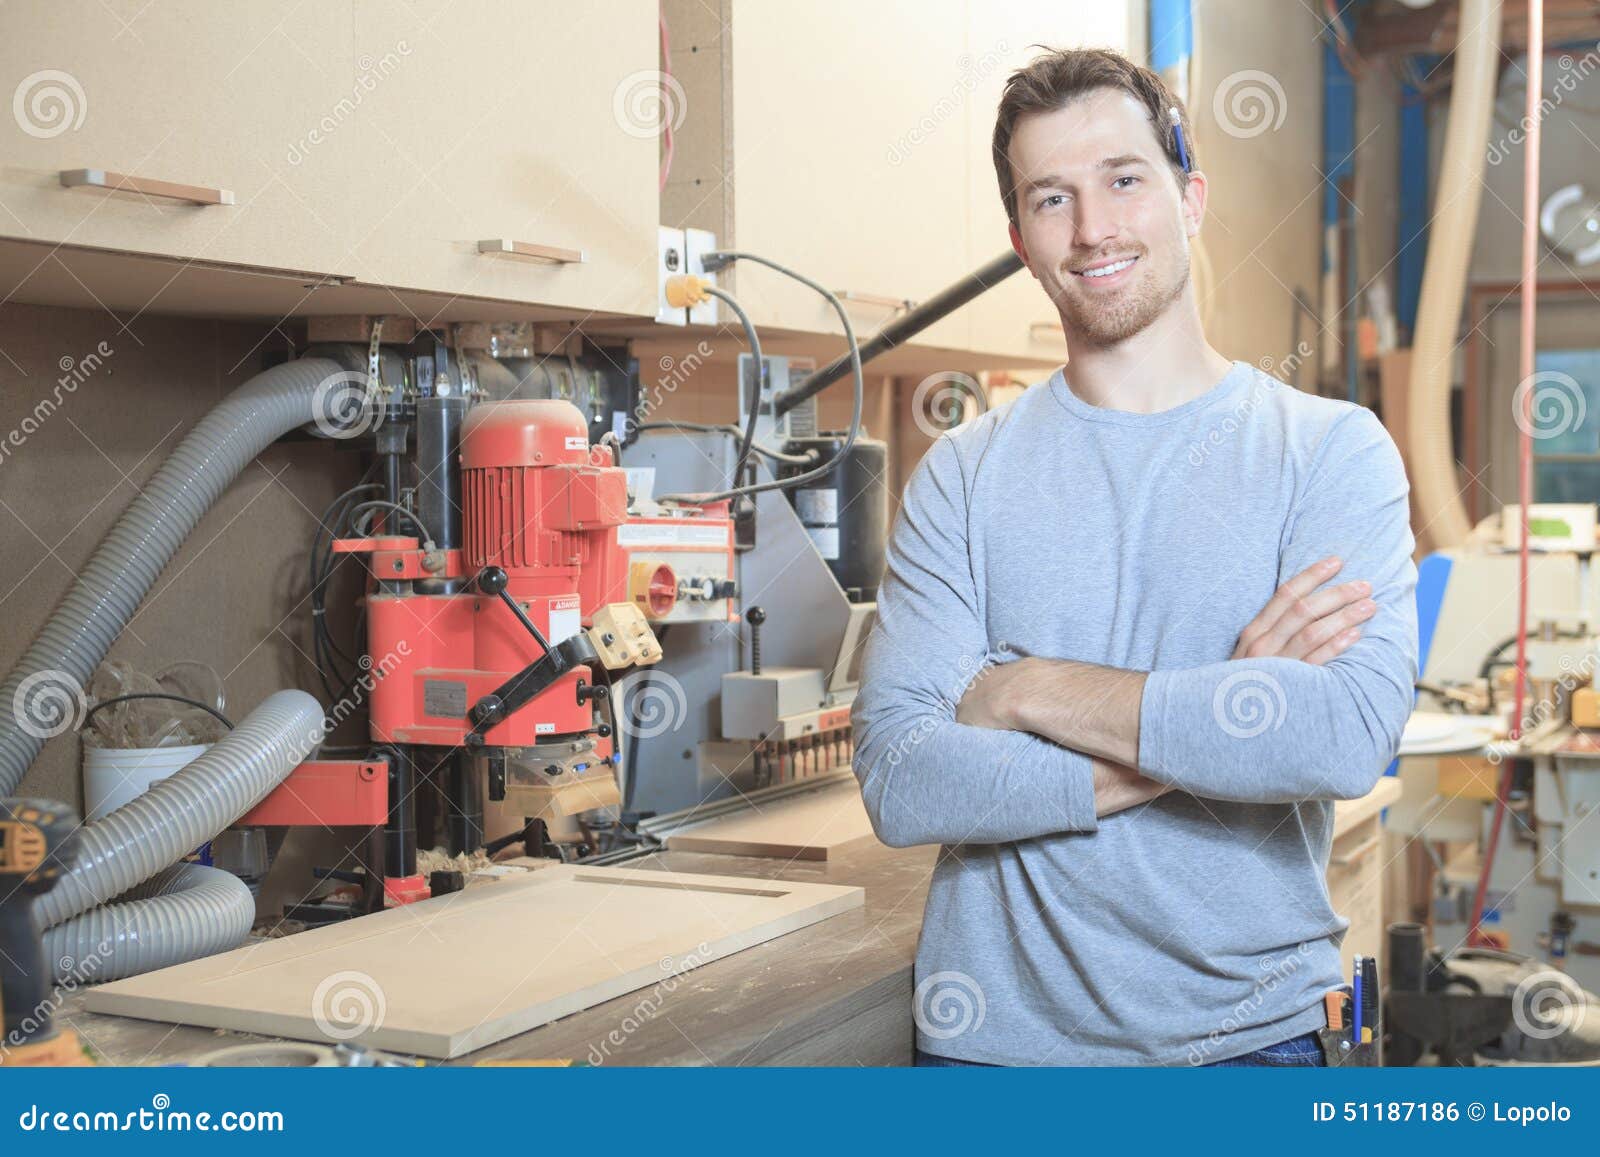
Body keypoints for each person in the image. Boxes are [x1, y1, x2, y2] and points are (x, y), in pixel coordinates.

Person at [849, 46, 1418, 1067]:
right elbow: (902, 779)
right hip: (996, 1050)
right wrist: (1229, 708)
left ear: (1188, 197)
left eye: (1123, 180)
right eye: (1050, 198)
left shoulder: (1327, 449)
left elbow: (1337, 736)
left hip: (1252, 1043)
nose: (1093, 228)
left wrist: (1023, 685)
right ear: (1022, 238)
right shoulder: (962, 475)